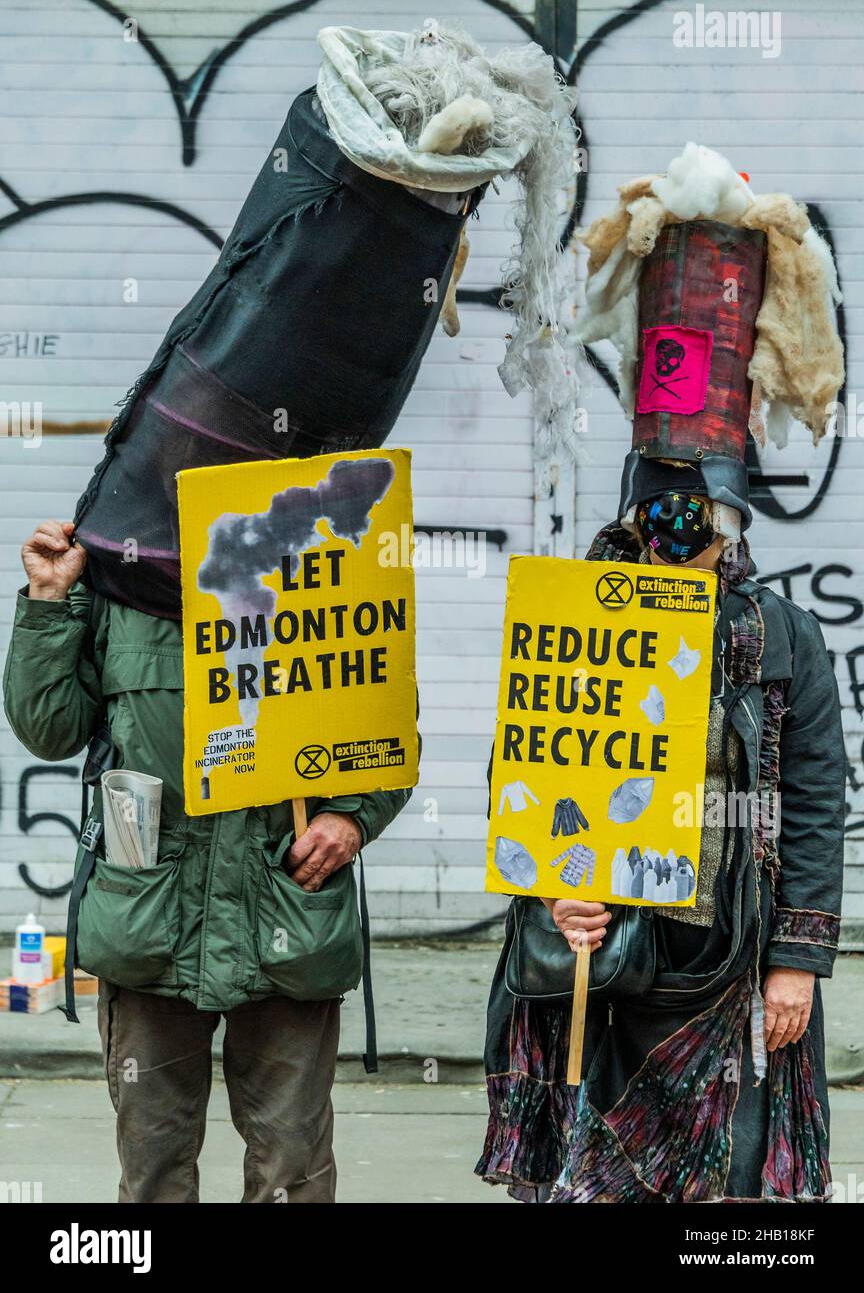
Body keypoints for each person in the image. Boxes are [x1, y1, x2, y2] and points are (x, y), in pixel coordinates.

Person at [476, 208, 846, 1203]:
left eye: (702, 518)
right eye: (663, 515)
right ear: (635, 515)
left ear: (732, 526)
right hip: (605, 958)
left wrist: (797, 965)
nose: (680, 538)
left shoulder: (783, 638)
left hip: (729, 968)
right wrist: (555, 890)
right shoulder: (574, 619)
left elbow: (815, 801)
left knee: (724, 1197)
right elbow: (526, 774)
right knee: (594, 1183)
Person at [3, 519, 411, 1204]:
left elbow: (389, 730)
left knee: (293, 1174)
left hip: (288, 916)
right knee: (153, 1172)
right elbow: (49, 728)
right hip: (150, 922)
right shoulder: (119, 580)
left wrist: (353, 817)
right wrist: (49, 601)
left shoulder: (330, 571)